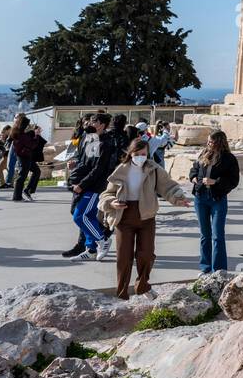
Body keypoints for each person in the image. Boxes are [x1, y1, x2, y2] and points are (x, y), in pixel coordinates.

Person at [99, 137, 191, 299]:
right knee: (124, 257)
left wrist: (179, 198)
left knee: (147, 254)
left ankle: (142, 286)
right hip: (124, 217)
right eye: (138, 153)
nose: (141, 157)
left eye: (144, 154)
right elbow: (107, 194)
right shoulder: (121, 170)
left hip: (146, 217)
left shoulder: (153, 169)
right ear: (131, 153)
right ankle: (121, 294)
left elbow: (168, 186)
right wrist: (112, 203)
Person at [66, 113, 115, 261]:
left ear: (102, 124)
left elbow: (99, 169)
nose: (89, 123)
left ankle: (103, 240)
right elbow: (86, 162)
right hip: (85, 184)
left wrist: (82, 184)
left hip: (96, 186)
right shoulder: (91, 139)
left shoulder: (106, 143)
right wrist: (75, 167)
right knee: (85, 215)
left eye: (94, 121)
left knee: (80, 216)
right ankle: (91, 249)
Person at [190, 130, 240, 274]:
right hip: (200, 197)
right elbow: (194, 170)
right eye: (208, 141)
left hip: (217, 199)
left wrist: (215, 182)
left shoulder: (229, 158)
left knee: (218, 235)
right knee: (205, 235)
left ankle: (219, 270)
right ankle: (205, 269)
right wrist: (194, 178)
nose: (208, 144)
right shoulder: (203, 153)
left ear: (219, 142)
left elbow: (233, 181)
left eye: (211, 142)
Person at [10, 118, 44, 202]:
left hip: (25, 156)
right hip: (24, 157)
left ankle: (28, 190)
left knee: (36, 171)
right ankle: (17, 196)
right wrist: (36, 136)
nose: (29, 126)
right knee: (22, 176)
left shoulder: (20, 133)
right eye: (28, 125)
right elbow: (32, 145)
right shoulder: (22, 135)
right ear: (24, 125)